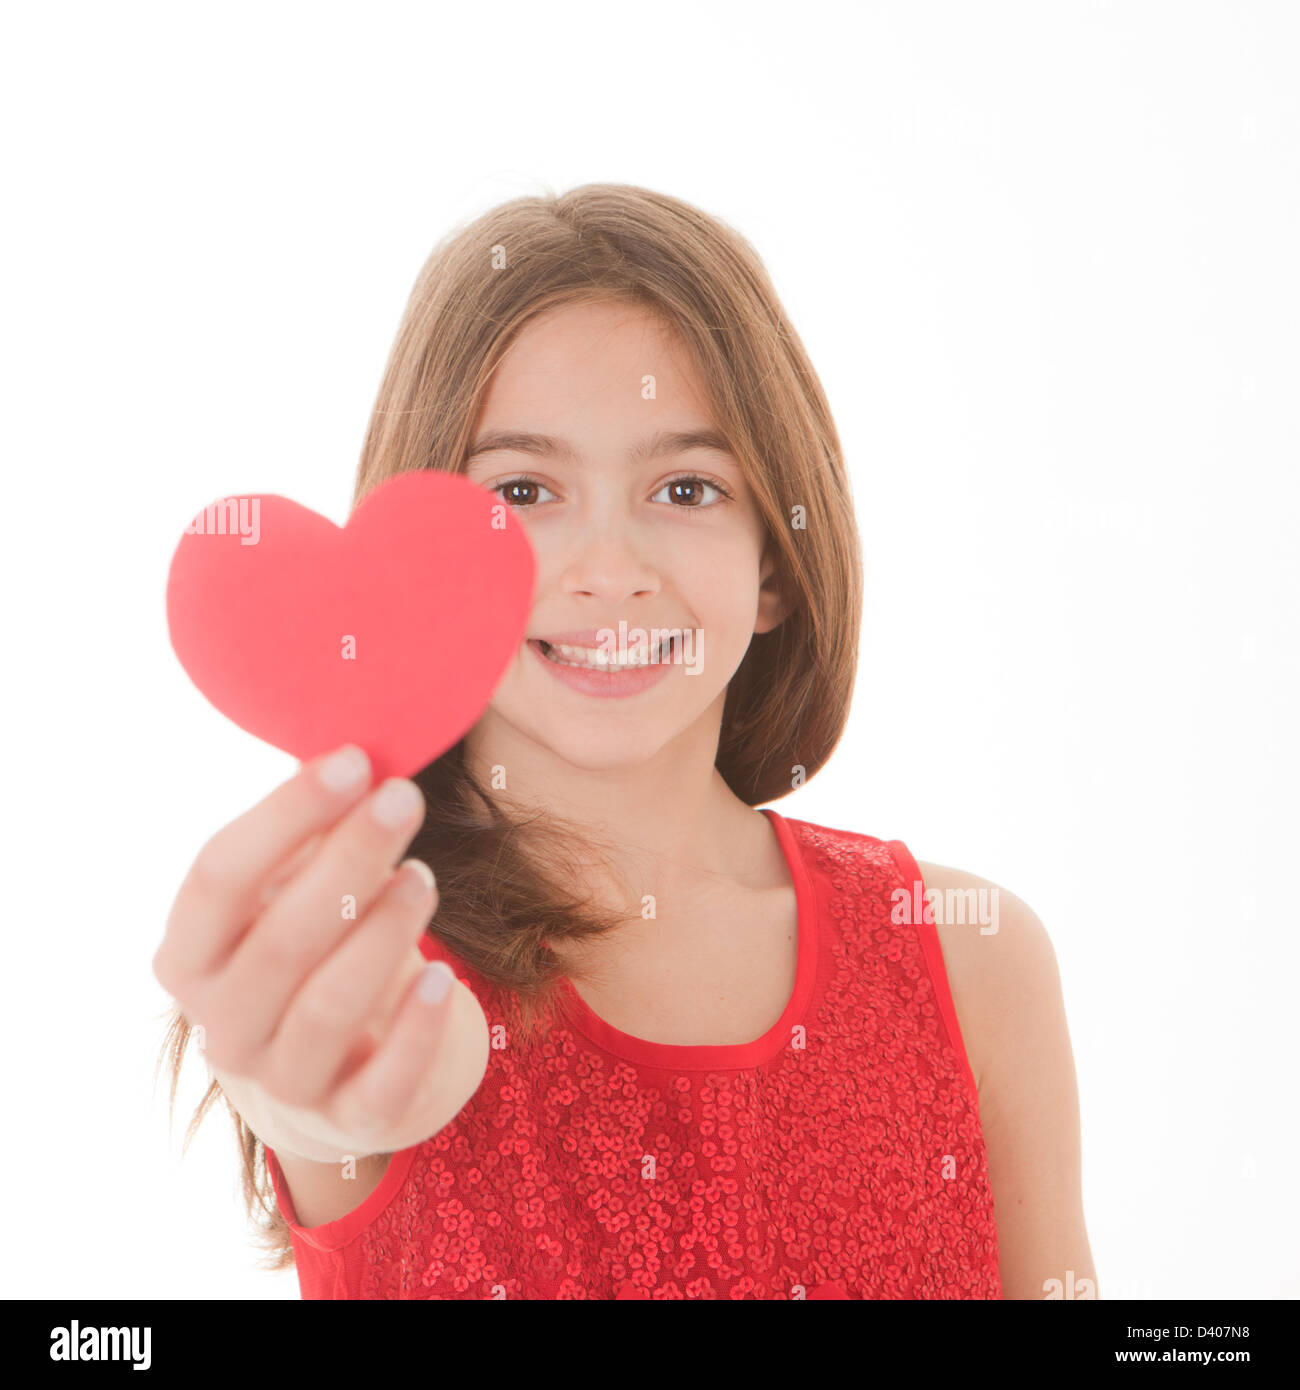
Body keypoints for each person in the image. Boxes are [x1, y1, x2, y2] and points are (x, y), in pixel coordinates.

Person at [154, 183, 1096, 1300]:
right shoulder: (383, 964)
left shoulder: (971, 958)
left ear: (775, 571)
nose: (607, 566)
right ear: (419, 569)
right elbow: (348, 1094)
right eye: (525, 489)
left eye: (686, 487)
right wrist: (310, 1102)